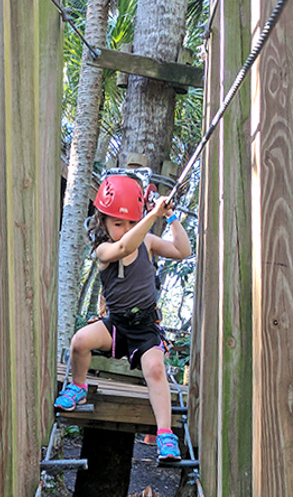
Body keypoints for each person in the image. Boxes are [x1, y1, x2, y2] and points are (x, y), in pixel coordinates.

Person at [55, 173, 192, 461]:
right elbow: (123, 247)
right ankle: (78, 386)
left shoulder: (149, 242)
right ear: (102, 222)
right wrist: (150, 216)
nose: (126, 228)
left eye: (131, 222)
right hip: (115, 325)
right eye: (118, 223)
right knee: (80, 341)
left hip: (145, 328)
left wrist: (170, 216)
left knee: (155, 370)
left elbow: (183, 250)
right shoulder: (103, 249)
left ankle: (165, 435)